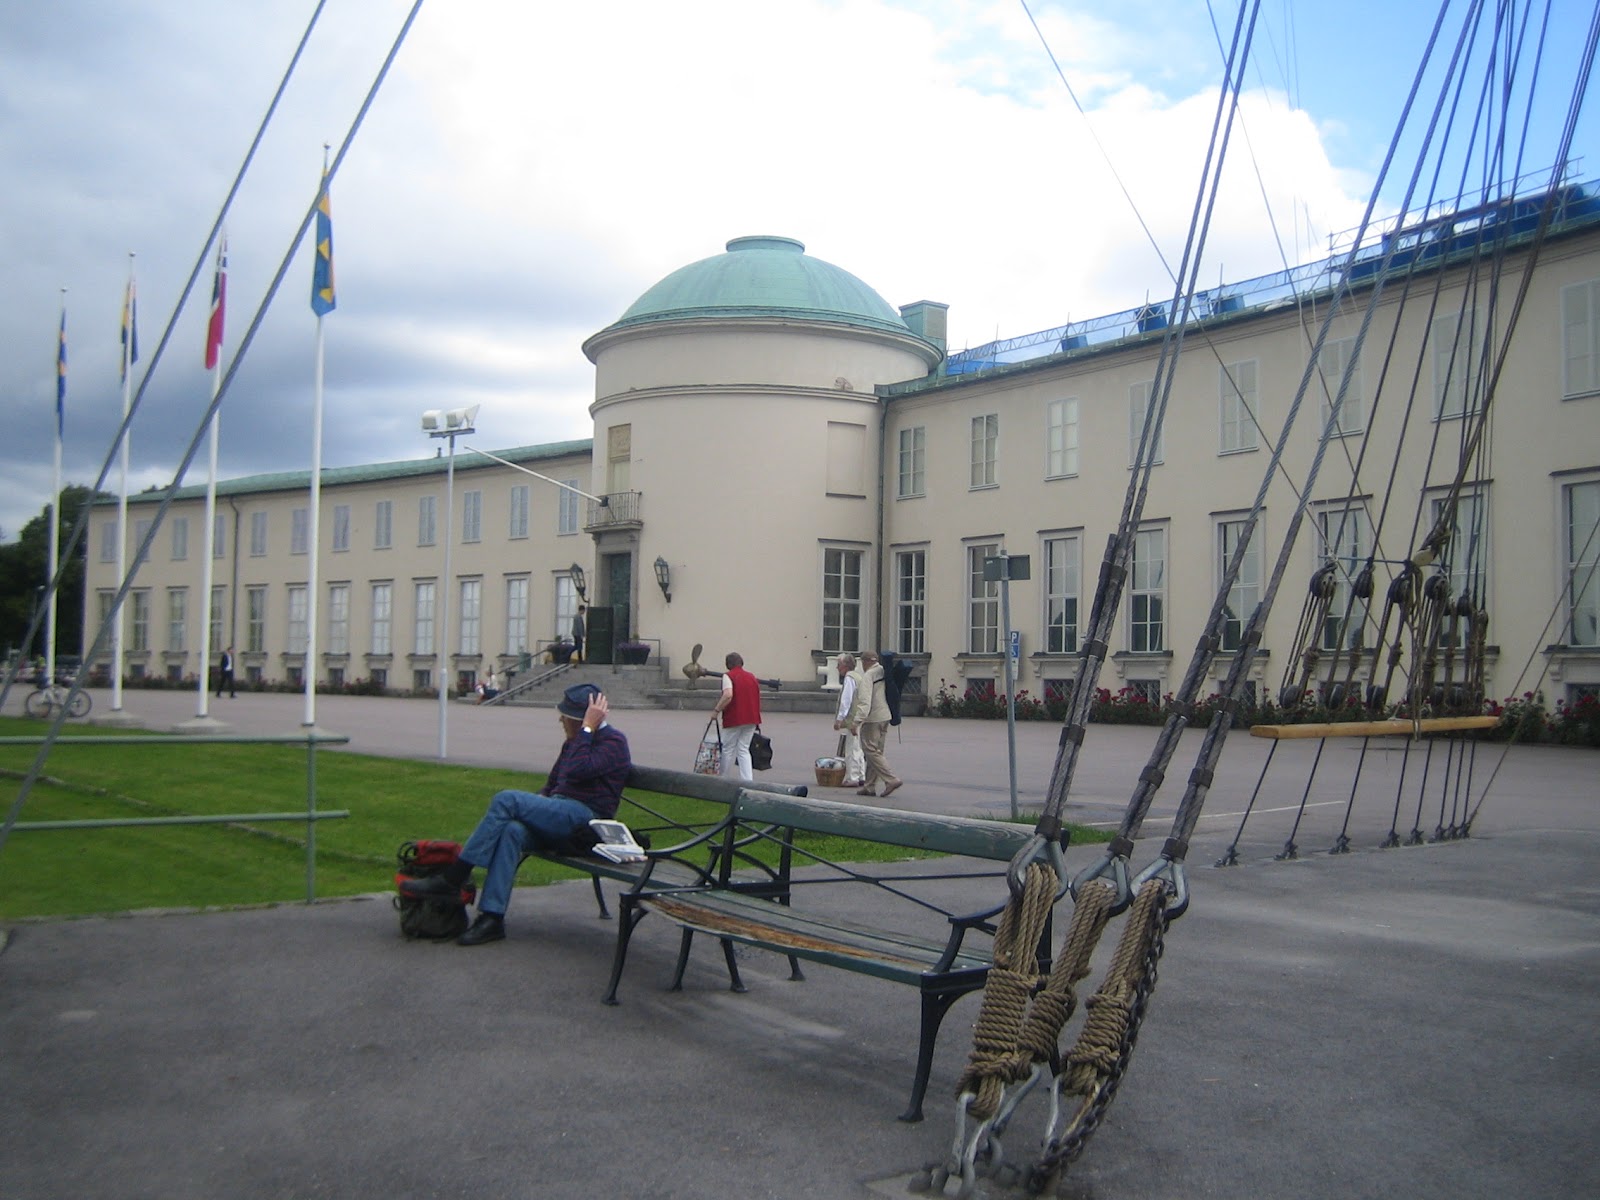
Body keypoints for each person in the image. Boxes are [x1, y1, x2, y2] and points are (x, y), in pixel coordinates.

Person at [399, 683, 631, 945]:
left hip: (585, 821)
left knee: (506, 799)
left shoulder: (613, 743)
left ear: (581, 720)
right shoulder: (574, 744)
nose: (560, 720)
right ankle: (492, 918)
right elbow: (554, 784)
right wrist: (536, 807)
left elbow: (578, 770)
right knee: (512, 830)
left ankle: (454, 877)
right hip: (559, 815)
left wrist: (588, 729)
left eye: (566, 716)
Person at [851, 651, 902, 798]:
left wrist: (856, 722)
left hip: (873, 718)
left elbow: (865, 702)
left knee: (870, 750)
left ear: (865, 661)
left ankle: (891, 779)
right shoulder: (883, 671)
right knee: (876, 751)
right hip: (886, 716)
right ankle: (869, 786)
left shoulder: (868, 676)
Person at [712, 651, 762, 782]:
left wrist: (717, 710)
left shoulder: (728, 676)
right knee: (744, 749)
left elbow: (728, 695)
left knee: (727, 749)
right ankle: (747, 780)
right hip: (751, 718)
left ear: (728, 664)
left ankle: (722, 779)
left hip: (734, 717)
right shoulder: (752, 677)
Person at [831, 654, 867, 788]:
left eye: (838, 665)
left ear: (845, 666)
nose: (837, 667)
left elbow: (846, 700)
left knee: (851, 748)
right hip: (861, 716)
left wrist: (839, 719)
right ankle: (861, 775)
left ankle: (853, 777)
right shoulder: (858, 676)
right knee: (858, 748)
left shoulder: (849, 678)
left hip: (853, 718)